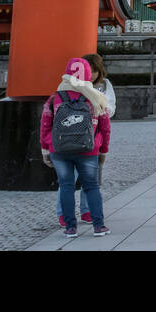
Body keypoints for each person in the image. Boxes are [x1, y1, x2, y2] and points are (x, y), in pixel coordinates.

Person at [40, 57, 111, 237]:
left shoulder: (55, 98)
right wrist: (103, 150)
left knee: (66, 186)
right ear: (88, 75)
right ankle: (98, 226)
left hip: (60, 150)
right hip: (89, 149)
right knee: (91, 187)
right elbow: (105, 127)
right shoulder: (95, 97)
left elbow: (45, 125)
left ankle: (70, 228)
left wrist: (46, 148)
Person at [56, 53, 117, 228]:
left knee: (90, 180)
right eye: (88, 70)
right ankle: (63, 213)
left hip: (92, 139)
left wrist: (99, 106)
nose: (90, 75)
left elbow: (110, 109)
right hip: (69, 138)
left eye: (94, 71)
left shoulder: (103, 86)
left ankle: (87, 210)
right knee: (67, 180)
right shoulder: (67, 88)